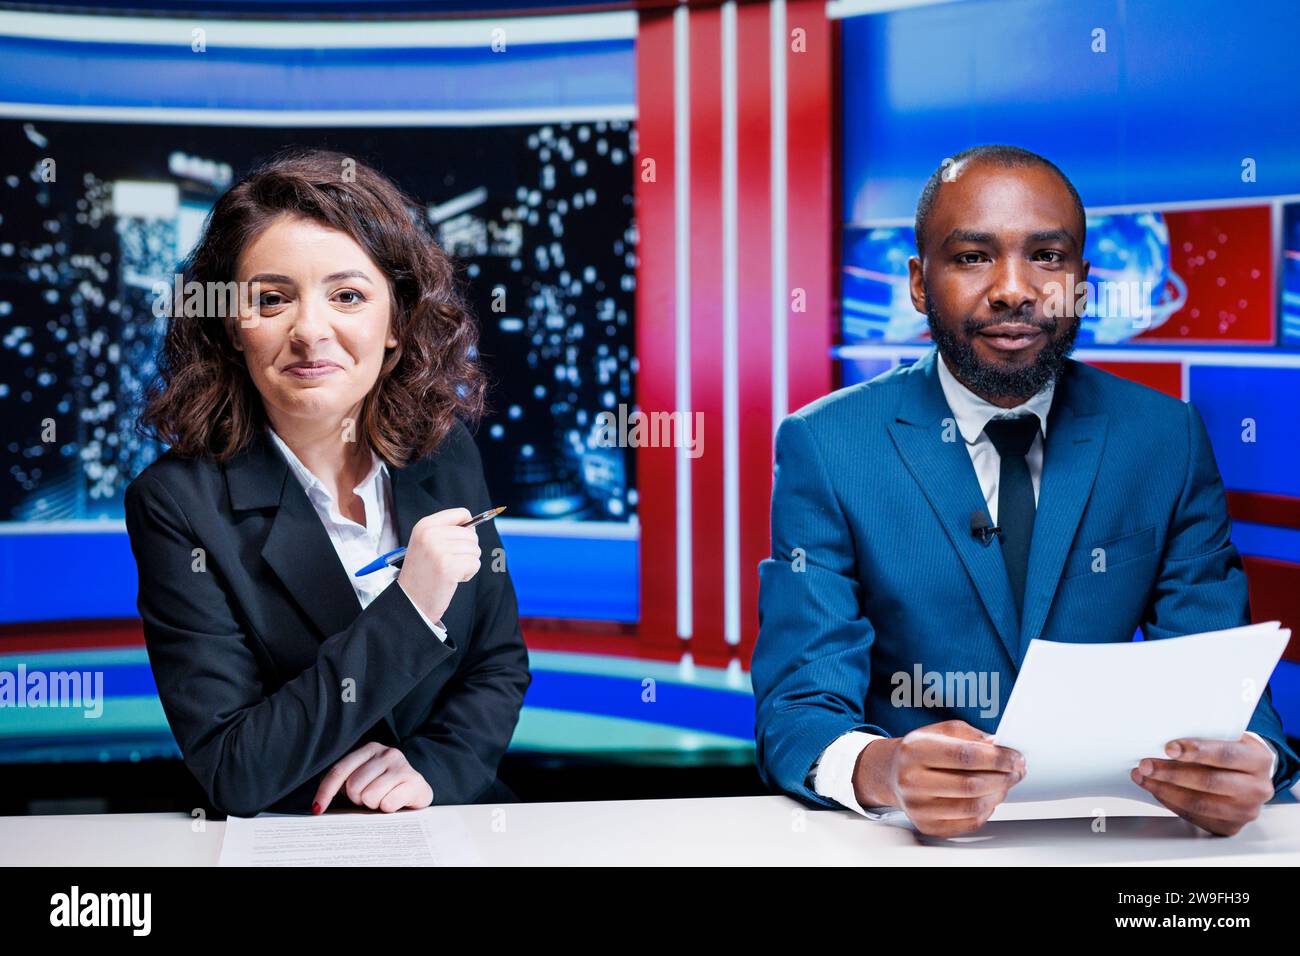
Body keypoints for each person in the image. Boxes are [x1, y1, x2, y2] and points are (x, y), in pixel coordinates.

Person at [753, 144, 1296, 837]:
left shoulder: (1167, 438)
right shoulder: (828, 446)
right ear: (919, 283)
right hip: (908, 849)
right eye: (973, 256)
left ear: (1083, 280)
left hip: (1109, 848)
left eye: (1046, 256)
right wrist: (883, 769)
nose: (1013, 289)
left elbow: (1226, 685)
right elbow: (798, 710)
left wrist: (1249, 761)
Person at [125, 149, 529, 817]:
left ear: (396, 323)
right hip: (294, 841)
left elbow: (498, 665)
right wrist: (412, 608)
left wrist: (429, 769)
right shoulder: (177, 504)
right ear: (231, 327)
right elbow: (233, 766)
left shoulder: (445, 452)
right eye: (273, 299)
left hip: (453, 818)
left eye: (347, 295)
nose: (311, 332)